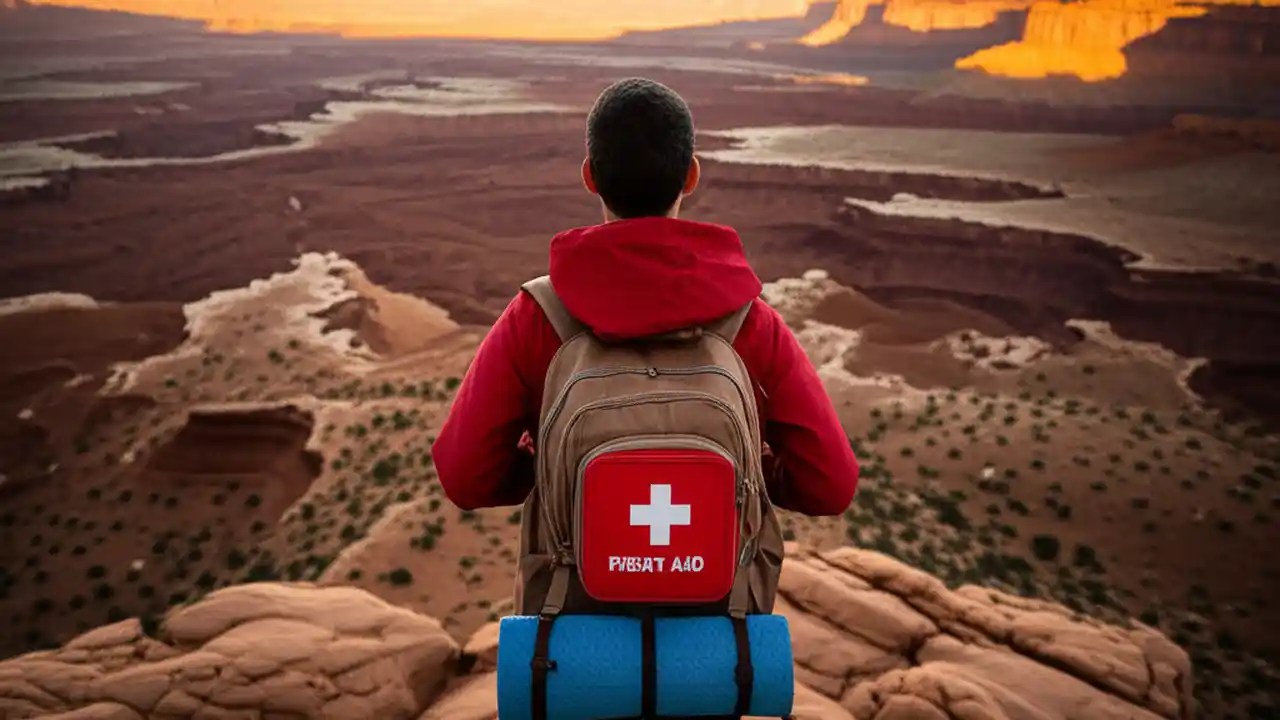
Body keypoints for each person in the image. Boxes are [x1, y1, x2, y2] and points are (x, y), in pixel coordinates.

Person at [433, 76, 857, 521]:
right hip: (719, 593)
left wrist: (565, 467)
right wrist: (732, 469)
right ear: (691, 175)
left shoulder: (537, 317)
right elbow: (830, 486)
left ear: (589, 176)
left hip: (570, 592)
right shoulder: (751, 323)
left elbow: (465, 477)